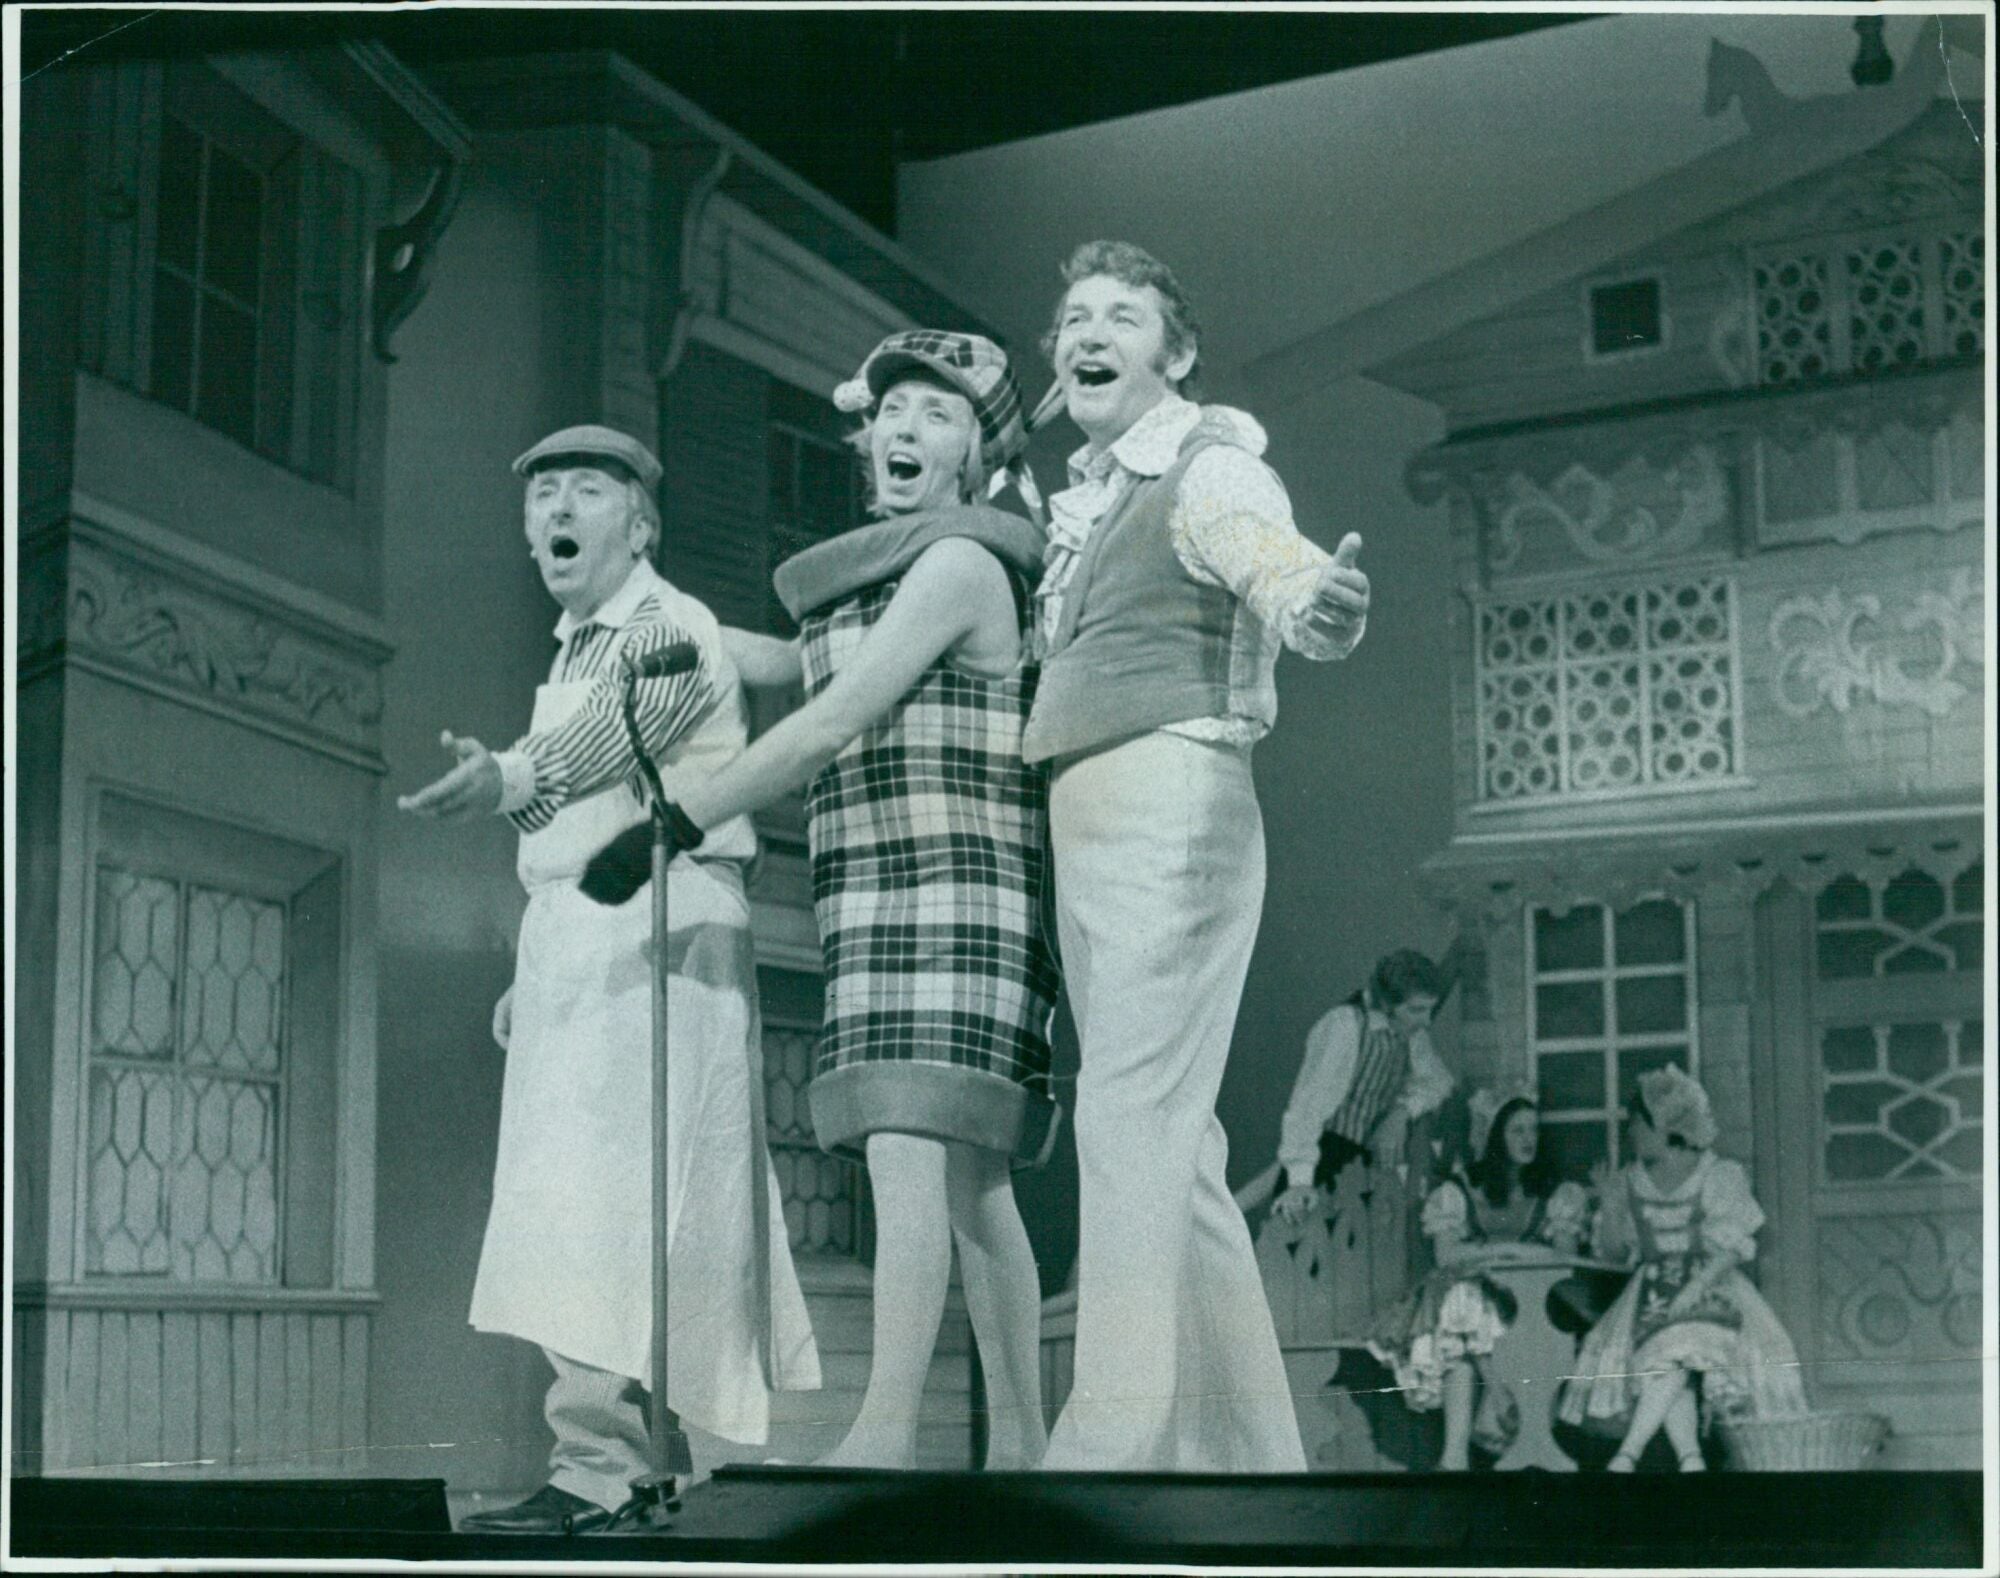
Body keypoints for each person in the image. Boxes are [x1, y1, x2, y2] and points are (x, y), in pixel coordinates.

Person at [580, 332, 1060, 1471]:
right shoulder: (876, 573)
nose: (903, 429)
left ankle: (888, 1429)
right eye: (892, 409)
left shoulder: (959, 569)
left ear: (974, 458)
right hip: (876, 889)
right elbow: (777, 660)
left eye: (937, 416)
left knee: (909, 1147)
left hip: (961, 885)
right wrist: (658, 629)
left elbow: (831, 717)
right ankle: (1033, 1450)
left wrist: (674, 821)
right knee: (969, 1176)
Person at [398, 425, 819, 1531]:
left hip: (660, 932)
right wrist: (536, 968)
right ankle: (626, 1470)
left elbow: (603, 750)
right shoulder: (580, 639)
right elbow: (585, 810)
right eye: (541, 494)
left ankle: (604, 1467)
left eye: (587, 489)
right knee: (571, 1206)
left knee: (616, 1207)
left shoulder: (667, 629)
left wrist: (505, 776)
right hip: (589, 941)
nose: (558, 511)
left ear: (642, 523)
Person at [1021, 240, 1371, 1474]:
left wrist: (1307, 602)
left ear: (1172, 355)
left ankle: (1105, 1444)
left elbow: (1265, 558)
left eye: (1122, 315)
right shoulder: (1090, 497)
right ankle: (1249, 1452)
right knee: (1175, 1137)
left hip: (1171, 792)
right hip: (1093, 806)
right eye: (1073, 317)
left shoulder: (1205, 461)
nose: (1088, 329)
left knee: (1126, 1112)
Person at [1556, 1066, 1809, 1471]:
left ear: (1666, 1126)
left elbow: (1735, 1247)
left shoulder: (1715, 1173)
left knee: (1679, 1349)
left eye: (1638, 1124)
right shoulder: (1629, 1180)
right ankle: (1689, 1459)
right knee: (1671, 1359)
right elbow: (1614, 1255)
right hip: (1651, 1289)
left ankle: (1629, 1455)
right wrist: (1611, 1204)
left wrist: (1698, 1287)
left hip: (1711, 1284)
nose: (1631, 1134)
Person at [1363, 1089, 1589, 1470]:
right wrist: (1502, 1255)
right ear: (1495, 1136)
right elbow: (1447, 1255)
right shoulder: (1462, 1189)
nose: (1528, 1140)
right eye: (1516, 1131)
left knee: (1506, 1331)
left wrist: (1512, 1254)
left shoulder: (1554, 1192)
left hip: (1532, 1302)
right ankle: (1455, 1457)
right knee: (1463, 1313)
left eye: (1533, 1130)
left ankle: (1518, 1434)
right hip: (1469, 1302)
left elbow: (1564, 1255)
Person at [1272, 949, 1457, 1230]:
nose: (1427, 1021)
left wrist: (1401, 1113)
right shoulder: (1344, 1026)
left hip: (1364, 1168)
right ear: (1386, 1004)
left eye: (1430, 1009)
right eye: (1417, 1010)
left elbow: (1439, 1082)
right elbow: (1307, 1110)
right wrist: (1299, 1181)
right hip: (1321, 1162)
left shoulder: (1410, 1035)